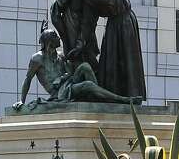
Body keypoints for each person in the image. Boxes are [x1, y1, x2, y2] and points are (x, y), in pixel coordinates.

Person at [12, 28, 143, 111]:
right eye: (55, 36)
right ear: (49, 42)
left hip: (66, 83)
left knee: (85, 66)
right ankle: (124, 100)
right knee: (88, 84)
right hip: (58, 93)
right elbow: (28, 79)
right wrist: (21, 101)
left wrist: (61, 77)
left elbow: (69, 73)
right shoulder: (37, 59)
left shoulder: (60, 56)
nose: (59, 38)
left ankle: (97, 98)